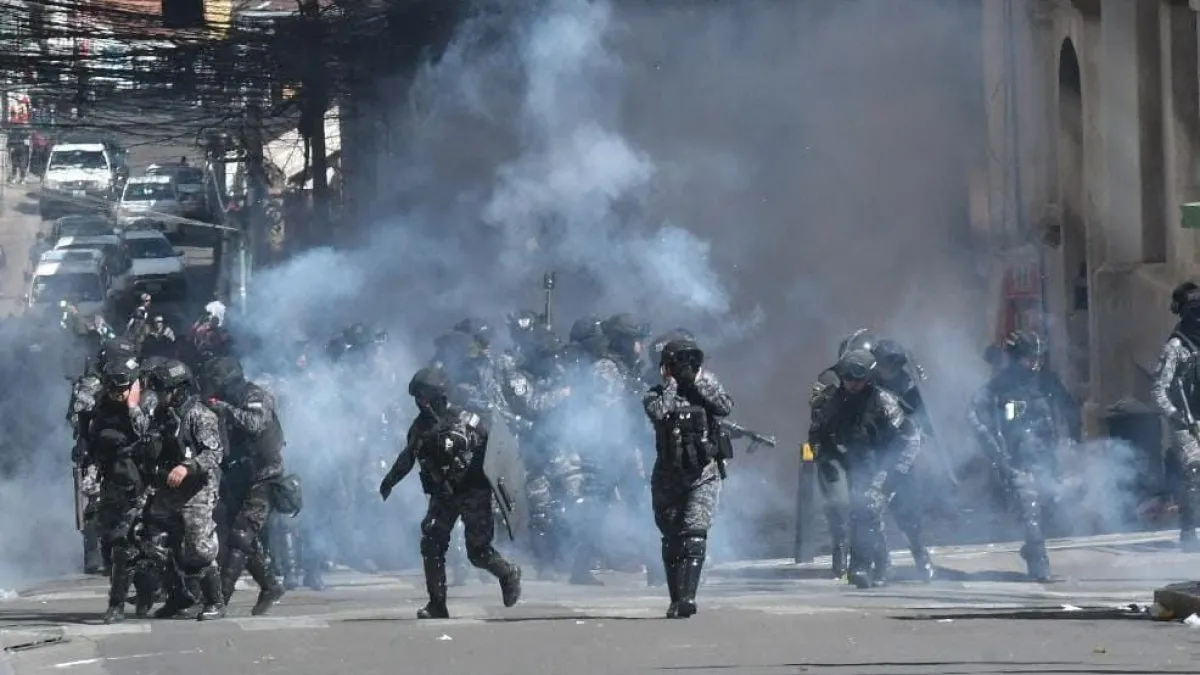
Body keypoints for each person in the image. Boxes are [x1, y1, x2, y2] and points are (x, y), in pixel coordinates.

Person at [379, 367, 522, 619]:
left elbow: (497, 450)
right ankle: (437, 604)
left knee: (477, 553)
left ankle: (507, 573)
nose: (419, 402)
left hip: (472, 491)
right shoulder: (419, 429)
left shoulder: (467, 421)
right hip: (443, 496)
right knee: (432, 544)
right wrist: (390, 480)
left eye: (422, 396)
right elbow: (408, 457)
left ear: (435, 395)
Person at [968, 330, 1080, 581]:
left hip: (1046, 456)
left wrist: (1073, 436)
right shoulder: (998, 386)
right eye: (1030, 358)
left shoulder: (1047, 381)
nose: (1035, 363)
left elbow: (1068, 405)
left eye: (1038, 357)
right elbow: (974, 415)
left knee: (1051, 507)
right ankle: (1040, 566)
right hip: (1017, 458)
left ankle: (1032, 549)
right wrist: (996, 451)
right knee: (1030, 511)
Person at [643, 337, 733, 618]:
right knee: (672, 539)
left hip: (703, 474)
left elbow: (724, 406)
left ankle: (688, 598)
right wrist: (672, 385)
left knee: (695, 534)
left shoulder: (706, 387)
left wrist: (696, 381)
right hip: (668, 477)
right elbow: (658, 412)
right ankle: (675, 598)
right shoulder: (655, 392)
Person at [826, 349, 929, 589]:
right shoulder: (837, 399)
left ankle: (920, 556)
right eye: (847, 378)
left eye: (857, 378)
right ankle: (871, 566)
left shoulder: (884, 399)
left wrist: (898, 467)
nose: (852, 383)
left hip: (893, 464)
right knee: (865, 512)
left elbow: (910, 435)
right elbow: (824, 430)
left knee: (907, 517)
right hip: (862, 465)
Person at [142, 359, 228, 620]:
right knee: (152, 538)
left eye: (161, 390)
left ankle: (215, 601)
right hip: (168, 487)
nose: (157, 396)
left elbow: (215, 452)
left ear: (177, 390)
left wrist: (187, 466)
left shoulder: (199, 415)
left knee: (197, 546)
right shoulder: (161, 414)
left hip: (196, 489)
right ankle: (178, 594)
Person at [203, 357, 288, 615]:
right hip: (240, 477)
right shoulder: (230, 401)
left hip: (265, 477)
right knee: (238, 539)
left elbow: (254, 424)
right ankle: (270, 585)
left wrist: (224, 410)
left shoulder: (255, 396)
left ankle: (220, 600)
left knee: (241, 536)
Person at [1153, 281, 1200, 551]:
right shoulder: (1176, 347)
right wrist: (1174, 414)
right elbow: (1159, 389)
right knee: (1194, 474)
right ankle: (1189, 532)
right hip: (1186, 421)